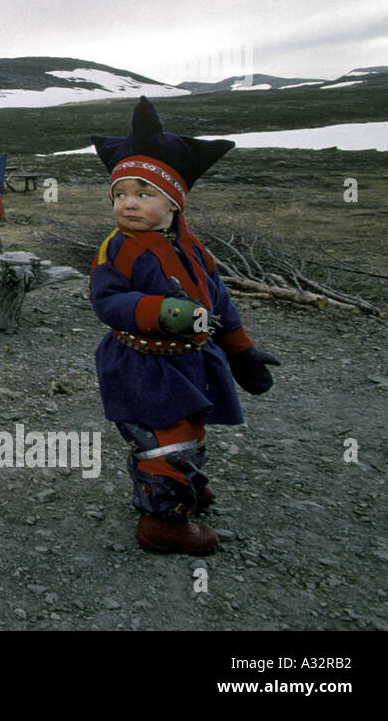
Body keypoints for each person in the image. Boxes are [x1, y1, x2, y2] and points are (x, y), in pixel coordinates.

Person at [89, 97, 279, 555]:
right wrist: (160, 311)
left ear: (174, 202)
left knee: (189, 428)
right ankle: (163, 522)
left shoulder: (193, 248)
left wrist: (241, 351)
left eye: (143, 194)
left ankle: (185, 484)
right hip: (141, 363)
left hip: (191, 360)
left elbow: (220, 301)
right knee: (162, 439)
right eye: (120, 194)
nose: (128, 204)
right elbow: (107, 301)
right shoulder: (118, 249)